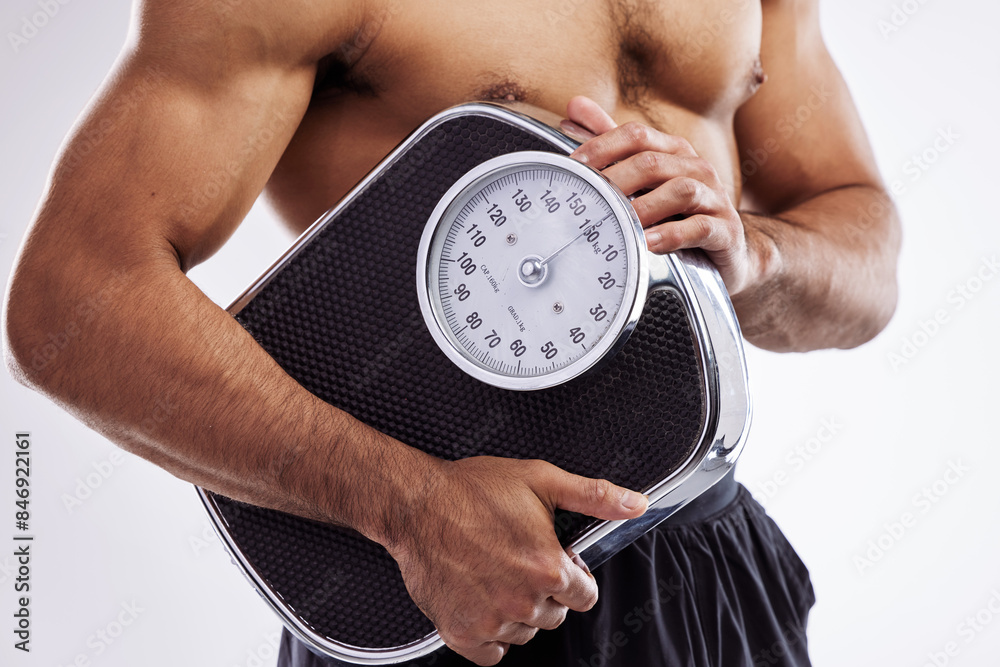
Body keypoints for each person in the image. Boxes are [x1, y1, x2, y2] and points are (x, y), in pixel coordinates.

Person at [2, 0, 900, 665]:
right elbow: (70, 300)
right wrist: (410, 508)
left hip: (704, 551)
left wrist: (755, 254)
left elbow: (867, 260)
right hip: (437, 595)